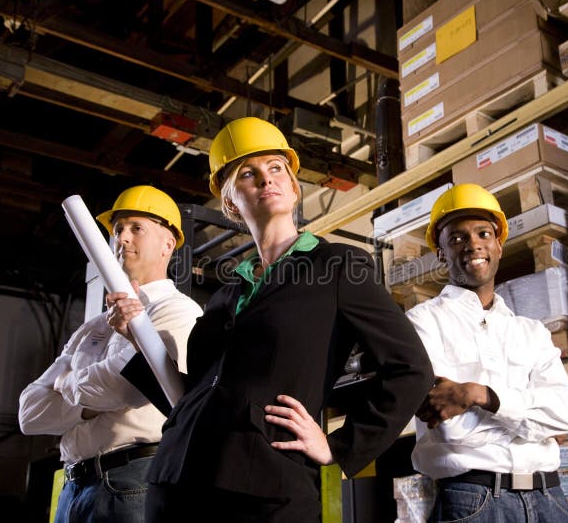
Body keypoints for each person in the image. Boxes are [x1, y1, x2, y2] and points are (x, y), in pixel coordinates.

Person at [118, 116, 434, 522]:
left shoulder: (336, 266)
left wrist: (339, 447)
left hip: (266, 489)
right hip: (176, 484)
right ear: (231, 202)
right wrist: (137, 339)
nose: (266, 179)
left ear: (293, 185)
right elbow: (188, 397)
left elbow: (411, 369)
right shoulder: (225, 294)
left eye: (276, 168)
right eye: (248, 174)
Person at [18, 185, 203, 523]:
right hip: (73, 487)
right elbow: (30, 413)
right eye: (118, 229)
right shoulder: (93, 328)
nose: (123, 238)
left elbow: (126, 388)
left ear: (168, 243)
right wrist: (90, 401)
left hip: (132, 482)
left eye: (137, 228)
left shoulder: (178, 311)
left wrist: (65, 382)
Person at [405, 183, 568, 523]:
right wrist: (531, 422)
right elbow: (452, 430)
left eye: (483, 233)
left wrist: (480, 394)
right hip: (474, 501)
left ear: (498, 245)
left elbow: (564, 415)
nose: (473, 244)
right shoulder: (422, 323)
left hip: (551, 500)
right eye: (456, 238)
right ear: (441, 253)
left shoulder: (531, 332)